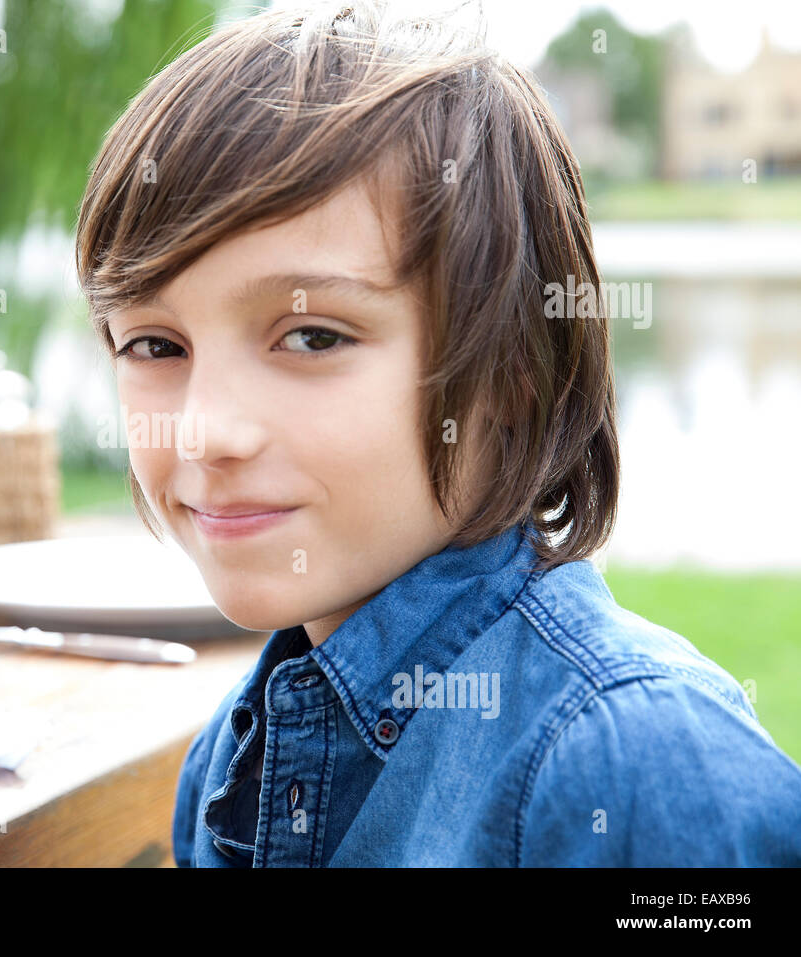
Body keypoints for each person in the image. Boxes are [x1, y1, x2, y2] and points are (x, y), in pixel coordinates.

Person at [73, 0, 801, 866]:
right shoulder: (227, 766)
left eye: (312, 336)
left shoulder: (636, 766)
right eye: (156, 344)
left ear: (512, 376)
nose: (206, 431)